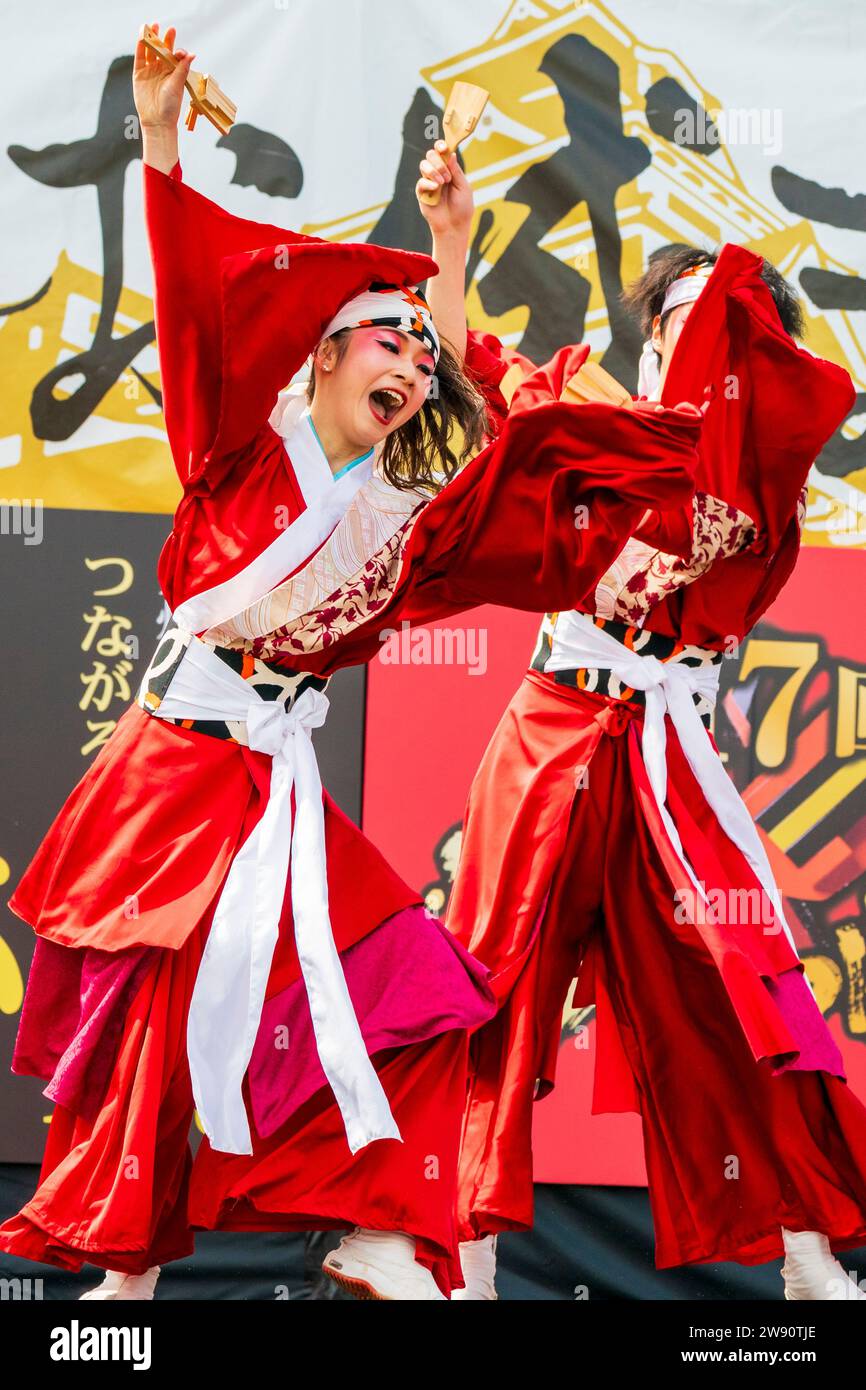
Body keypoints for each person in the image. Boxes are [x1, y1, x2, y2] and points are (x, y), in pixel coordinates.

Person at [0, 27, 705, 1301]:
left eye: (419, 355)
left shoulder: (402, 521)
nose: (412, 361)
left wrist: (445, 256)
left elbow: (486, 431)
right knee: (159, 1026)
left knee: (425, 995)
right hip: (177, 779)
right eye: (388, 340)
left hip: (273, 796)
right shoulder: (234, 445)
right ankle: (122, 1291)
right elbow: (184, 285)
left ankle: (382, 1231)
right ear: (323, 350)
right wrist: (158, 139)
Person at [417, 139, 866, 1302]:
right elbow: (474, 373)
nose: (681, 330)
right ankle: (460, 1261)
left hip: (667, 762)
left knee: (740, 985)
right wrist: (454, 244)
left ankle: (807, 1252)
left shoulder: (758, 477)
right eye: (667, 311)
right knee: (491, 984)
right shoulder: (585, 410)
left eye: (712, 315)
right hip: (552, 732)